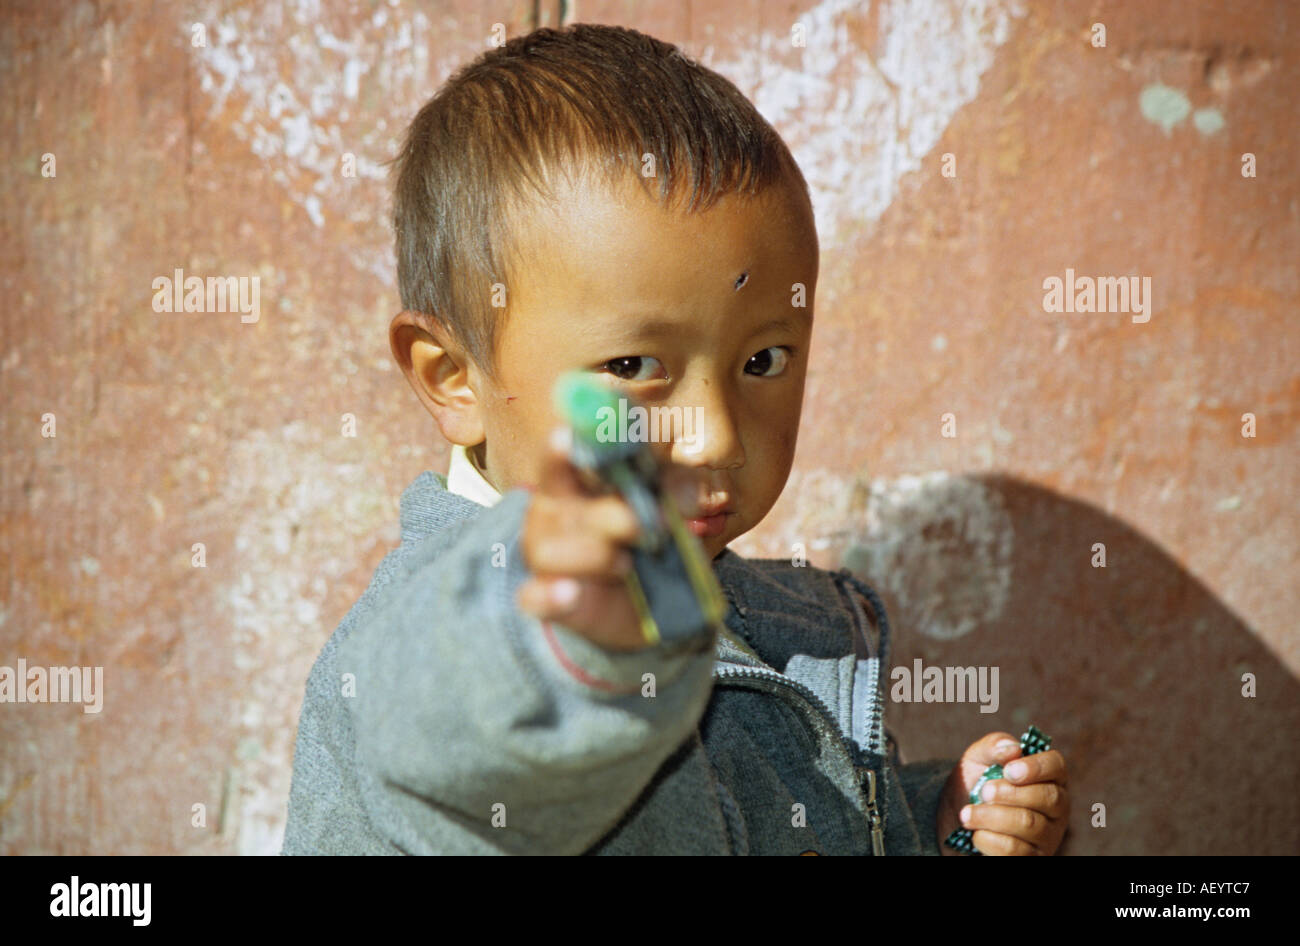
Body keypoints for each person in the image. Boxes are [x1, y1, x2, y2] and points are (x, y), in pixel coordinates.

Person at [282, 23, 1069, 855]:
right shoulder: (435, 640)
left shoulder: (776, 619)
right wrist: (571, 638)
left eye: (762, 359)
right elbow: (463, 747)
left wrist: (935, 824)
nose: (716, 436)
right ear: (453, 378)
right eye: (632, 364)